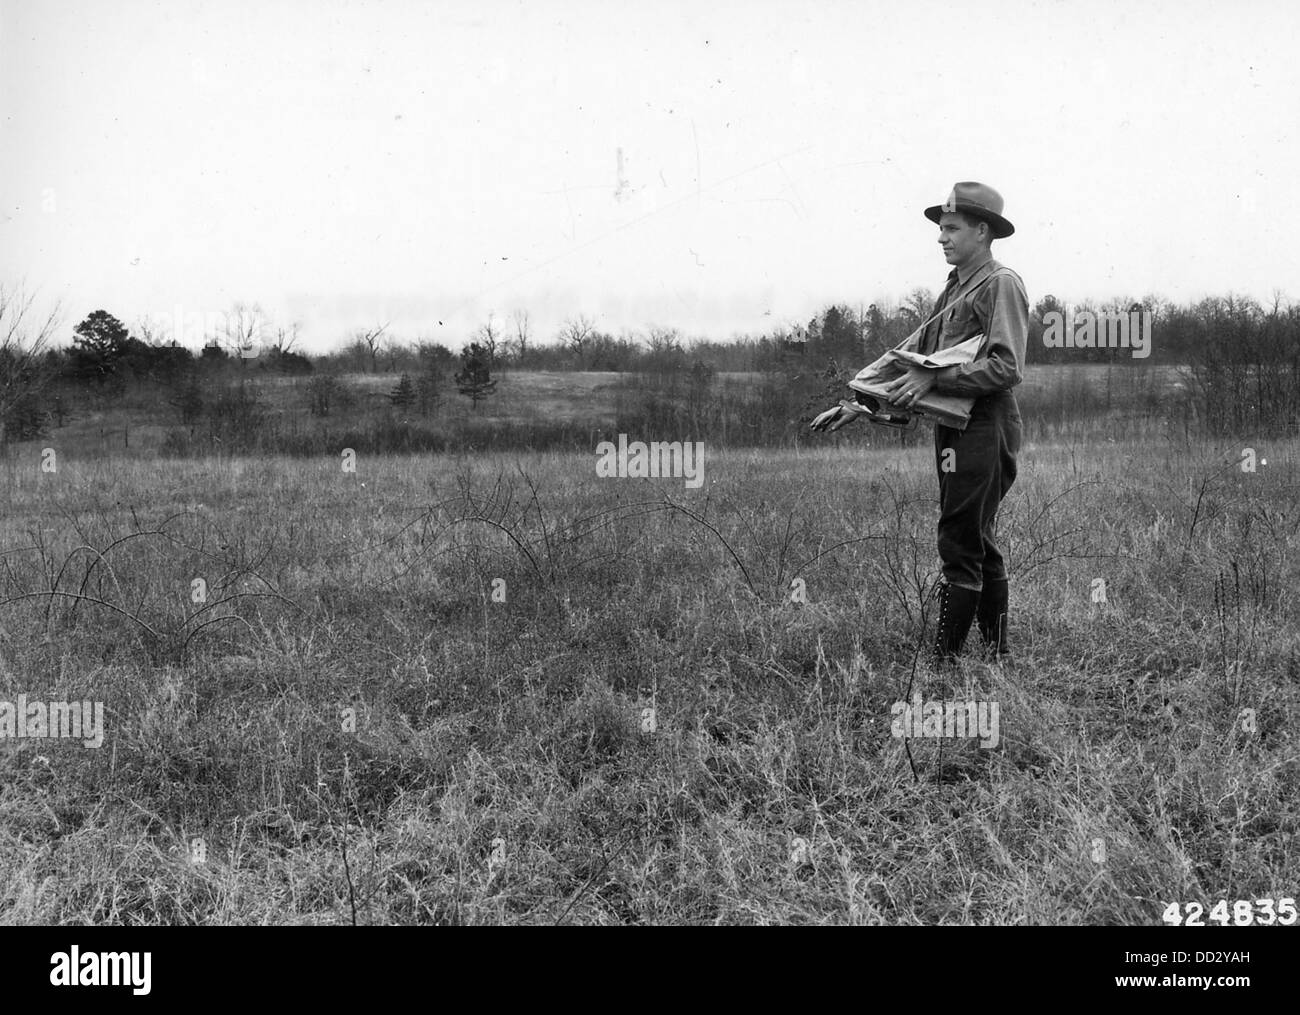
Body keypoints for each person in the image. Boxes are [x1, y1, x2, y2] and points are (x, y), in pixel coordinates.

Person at [812, 182, 1028, 663]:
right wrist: (860, 404)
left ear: (982, 230)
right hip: (953, 424)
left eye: (951, 228)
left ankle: (943, 663)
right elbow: (917, 363)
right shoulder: (955, 288)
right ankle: (997, 656)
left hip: (986, 424)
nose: (941, 239)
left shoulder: (1001, 283)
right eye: (940, 229)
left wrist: (939, 381)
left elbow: (1006, 367)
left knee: (959, 536)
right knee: (977, 535)